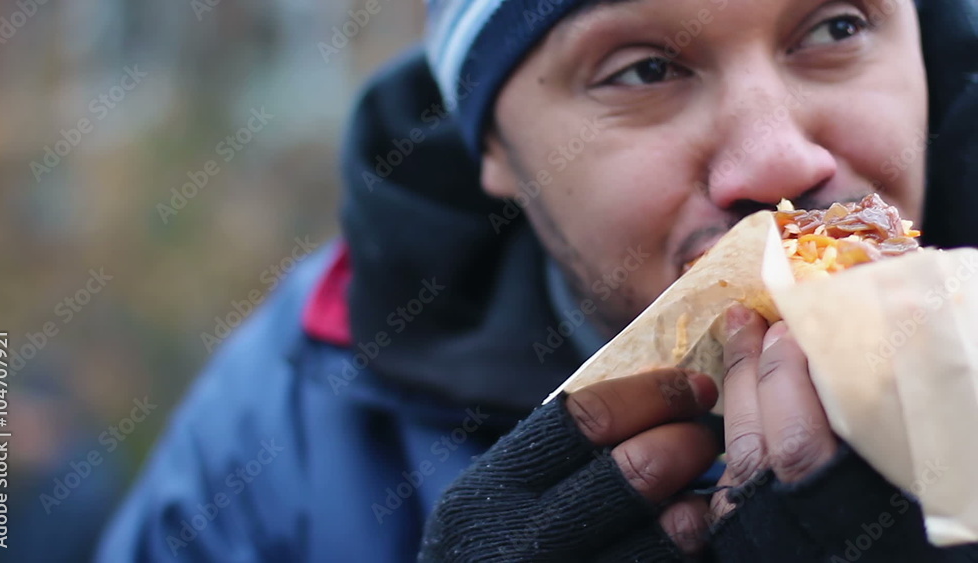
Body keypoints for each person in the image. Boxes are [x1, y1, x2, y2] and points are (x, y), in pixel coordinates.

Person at [96, 0, 978, 560]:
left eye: (837, 26)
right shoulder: (282, 434)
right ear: (493, 149)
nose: (777, 157)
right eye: (643, 69)